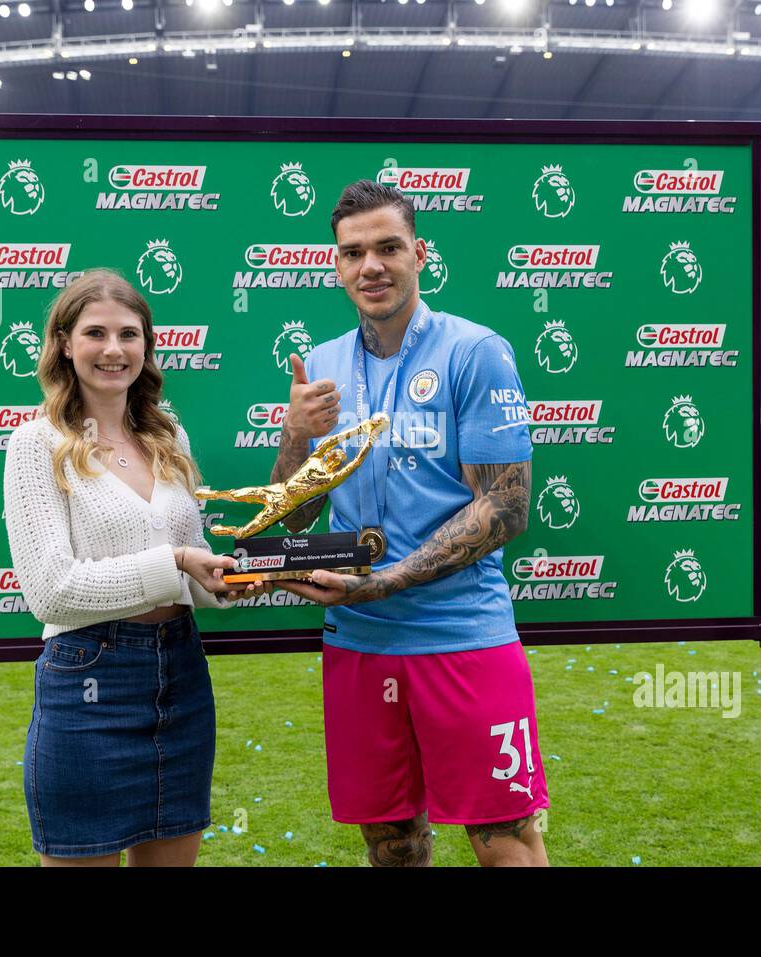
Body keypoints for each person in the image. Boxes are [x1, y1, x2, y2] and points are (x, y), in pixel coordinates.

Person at [276, 180, 549, 866]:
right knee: (392, 841)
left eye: (388, 247)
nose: (371, 265)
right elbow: (289, 520)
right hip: (361, 643)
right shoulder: (324, 363)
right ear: (336, 265)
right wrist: (294, 433)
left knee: (504, 835)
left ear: (420, 253)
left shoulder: (475, 350)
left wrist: (388, 579)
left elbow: (507, 507)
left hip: (463, 635)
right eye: (354, 252)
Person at [3, 268, 265, 867]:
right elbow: (50, 593)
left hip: (181, 674)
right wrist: (175, 561)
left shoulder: (168, 433)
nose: (114, 350)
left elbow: (193, 561)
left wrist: (230, 583)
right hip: (88, 682)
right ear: (65, 343)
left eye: (129, 334)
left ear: (147, 346)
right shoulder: (34, 444)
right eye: (96, 333)